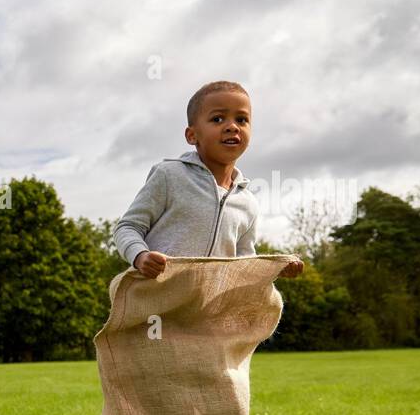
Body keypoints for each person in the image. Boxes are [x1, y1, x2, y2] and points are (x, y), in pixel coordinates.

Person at [113, 80, 304, 280]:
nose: (232, 126)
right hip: (158, 301)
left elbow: (244, 263)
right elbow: (128, 227)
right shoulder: (169, 175)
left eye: (241, 119)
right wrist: (141, 256)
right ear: (192, 135)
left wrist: (273, 270)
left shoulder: (248, 203)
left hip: (209, 308)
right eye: (218, 119)